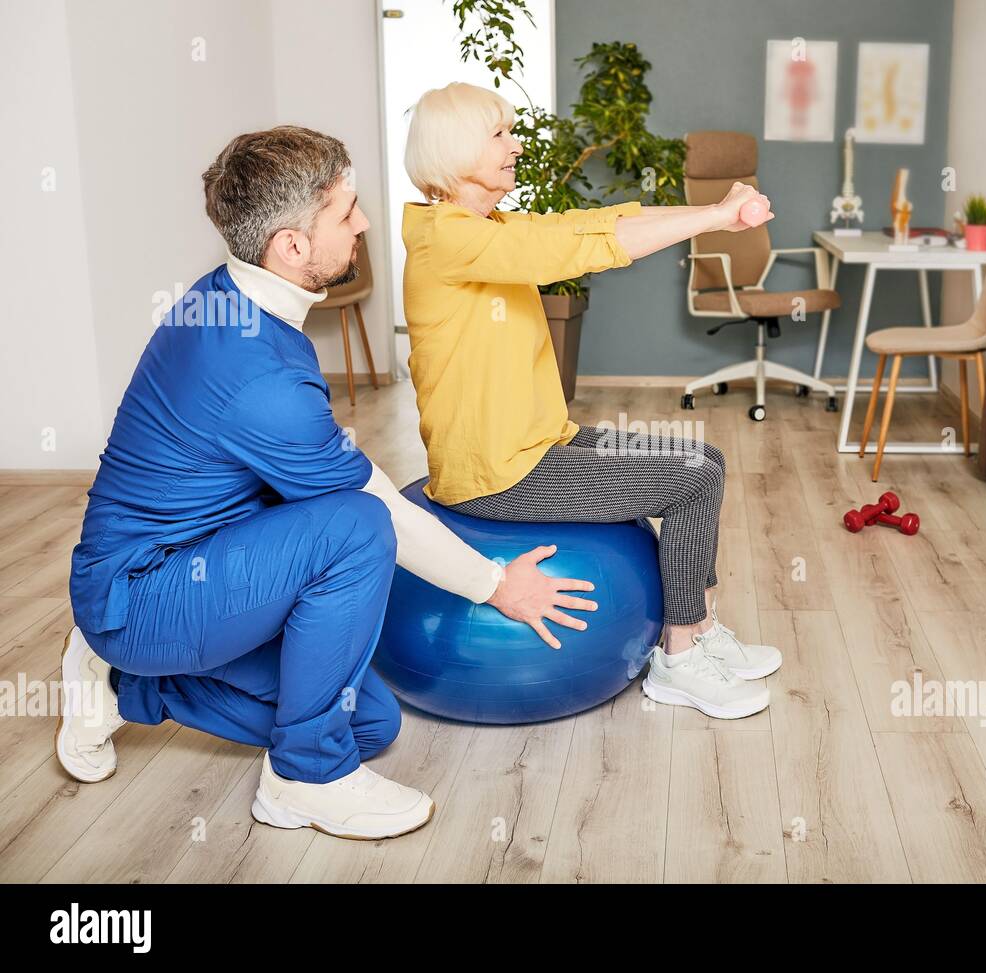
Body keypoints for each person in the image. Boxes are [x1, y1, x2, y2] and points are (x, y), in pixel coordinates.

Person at [59, 125, 595, 840]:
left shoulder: (231, 295)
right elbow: (373, 506)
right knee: (357, 524)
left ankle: (127, 681)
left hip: (187, 567)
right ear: (291, 246)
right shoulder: (257, 372)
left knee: (370, 721)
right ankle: (303, 780)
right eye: (346, 212)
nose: (366, 223)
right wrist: (499, 585)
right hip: (143, 590)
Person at [400, 82, 783, 720]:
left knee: (704, 463)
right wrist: (714, 221)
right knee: (688, 481)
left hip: (543, 442)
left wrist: (715, 207)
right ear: (455, 149)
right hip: (496, 475)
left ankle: (702, 626)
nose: (515, 145)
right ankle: (681, 660)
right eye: (499, 134)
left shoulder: (482, 227)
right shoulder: (446, 239)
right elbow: (570, 250)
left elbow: (591, 224)